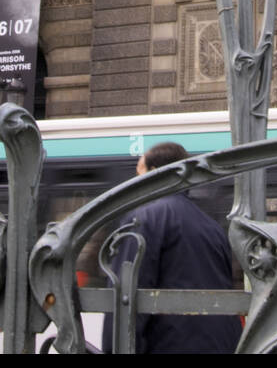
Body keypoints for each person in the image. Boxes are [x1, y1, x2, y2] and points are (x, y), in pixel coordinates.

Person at [101, 142, 242, 354]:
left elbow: (124, 301)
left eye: (139, 174)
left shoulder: (142, 219)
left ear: (155, 174)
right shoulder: (213, 227)